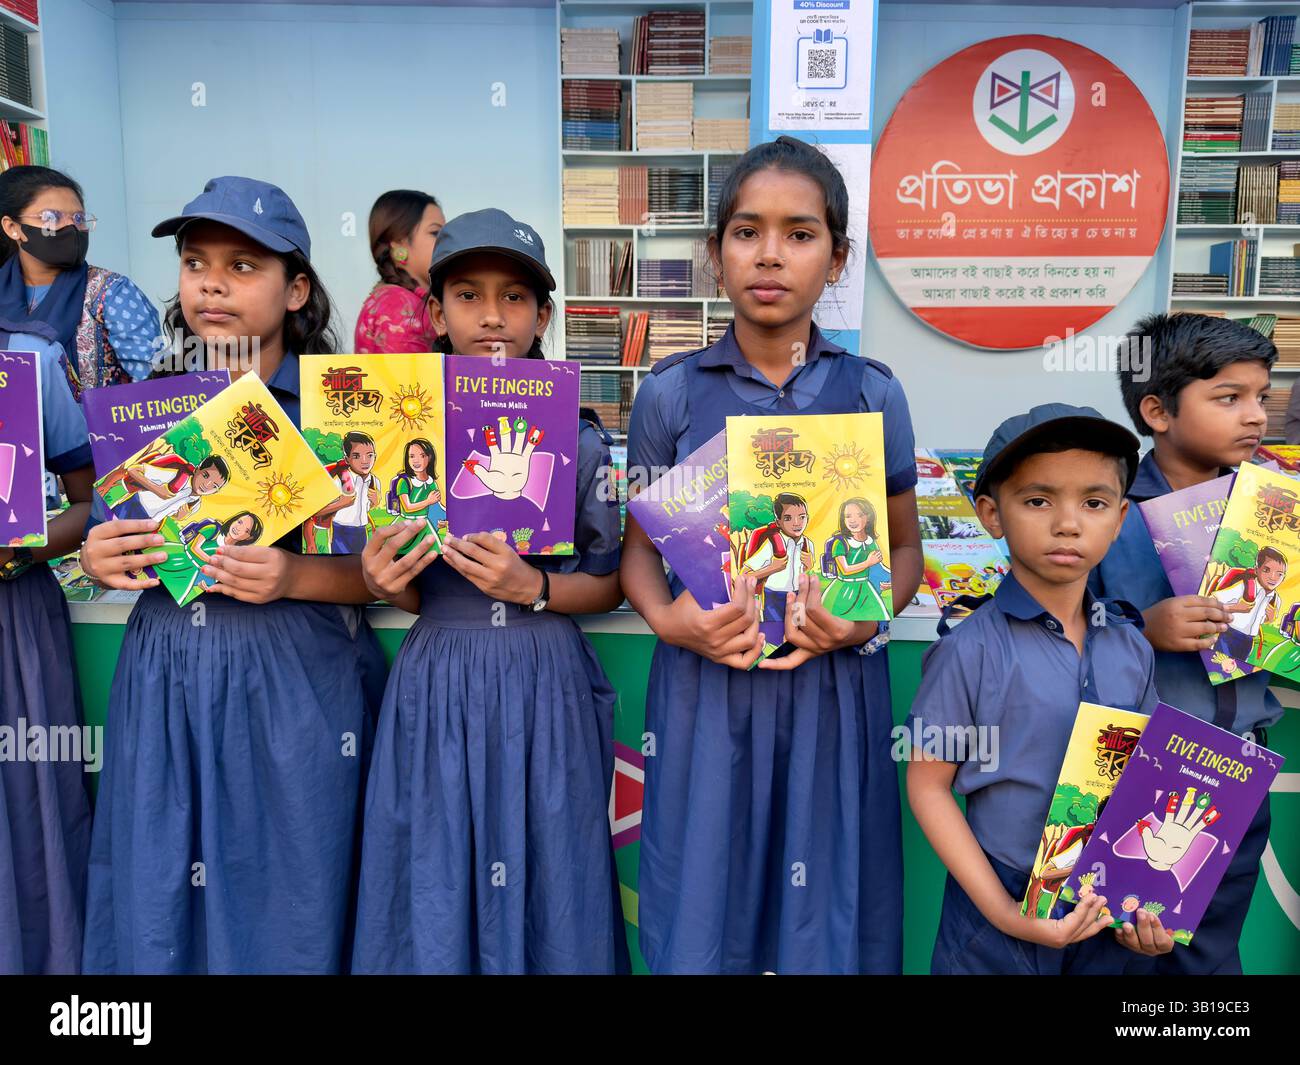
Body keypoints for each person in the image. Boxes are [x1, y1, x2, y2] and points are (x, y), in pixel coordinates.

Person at [620, 136, 923, 974]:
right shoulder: (672, 393)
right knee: (701, 905)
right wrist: (673, 623)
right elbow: (637, 559)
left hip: (832, 688)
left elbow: (904, 553)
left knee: (825, 908)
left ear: (837, 259)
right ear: (715, 255)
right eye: (747, 231)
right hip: (708, 686)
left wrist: (857, 626)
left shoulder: (872, 391)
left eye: (800, 233)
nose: (770, 253)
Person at [77, 176, 387, 974]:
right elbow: (112, 529)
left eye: (243, 265)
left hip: (299, 682)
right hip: (167, 671)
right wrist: (96, 553)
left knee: (298, 886)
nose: (211, 282)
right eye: (194, 262)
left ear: (297, 288)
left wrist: (291, 574)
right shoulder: (145, 407)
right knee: (159, 882)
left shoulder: (345, 412)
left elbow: (384, 576)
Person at [352, 208, 627, 974]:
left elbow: (607, 584)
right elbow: (404, 588)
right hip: (436, 673)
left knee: (552, 864)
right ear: (435, 312)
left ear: (544, 316)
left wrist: (535, 584)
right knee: (435, 867)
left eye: (514, 298)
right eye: (468, 296)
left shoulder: (578, 435)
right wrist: (384, 577)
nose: (493, 316)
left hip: (544, 678)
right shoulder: (408, 432)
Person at [907, 404, 1171, 974]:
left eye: (1094, 503)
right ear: (991, 514)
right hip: (995, 910)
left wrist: (1147, 913)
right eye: (1038, 500)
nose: (1068, 523)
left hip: (1103, 901)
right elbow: (928, 786)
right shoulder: (969, 648)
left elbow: (1146, 786)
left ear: (1121, 517)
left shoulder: (1132, 647)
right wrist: (1006, 914)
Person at [1092, 311, 1280, 975]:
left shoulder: (1273, 513)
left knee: (1209, 959)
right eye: (1228, 397)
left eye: (1262, 394)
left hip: (1239, 770)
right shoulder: (1104, 509)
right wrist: (1146, 628)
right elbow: (1060, 632)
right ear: (1158, 410)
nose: (1255, 414)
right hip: (1141, 776)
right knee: (1126, 955)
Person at [0, 319, 95, 973]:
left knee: (31, 821)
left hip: (14, 622)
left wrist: (22, 545)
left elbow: (95, 503)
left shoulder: (30, 357)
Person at [0, 165, 160, 393]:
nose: (71, 227)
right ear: (13, 227)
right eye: (51, 217)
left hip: (99, 427)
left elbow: (156, 387)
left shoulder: (111, 293)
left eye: (78, 217)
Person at [354, 189, 444, 354]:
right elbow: (409, 380)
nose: (446, 242)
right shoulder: (397, 305)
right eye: (436, 233)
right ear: (399, 243)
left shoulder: (400, 299)